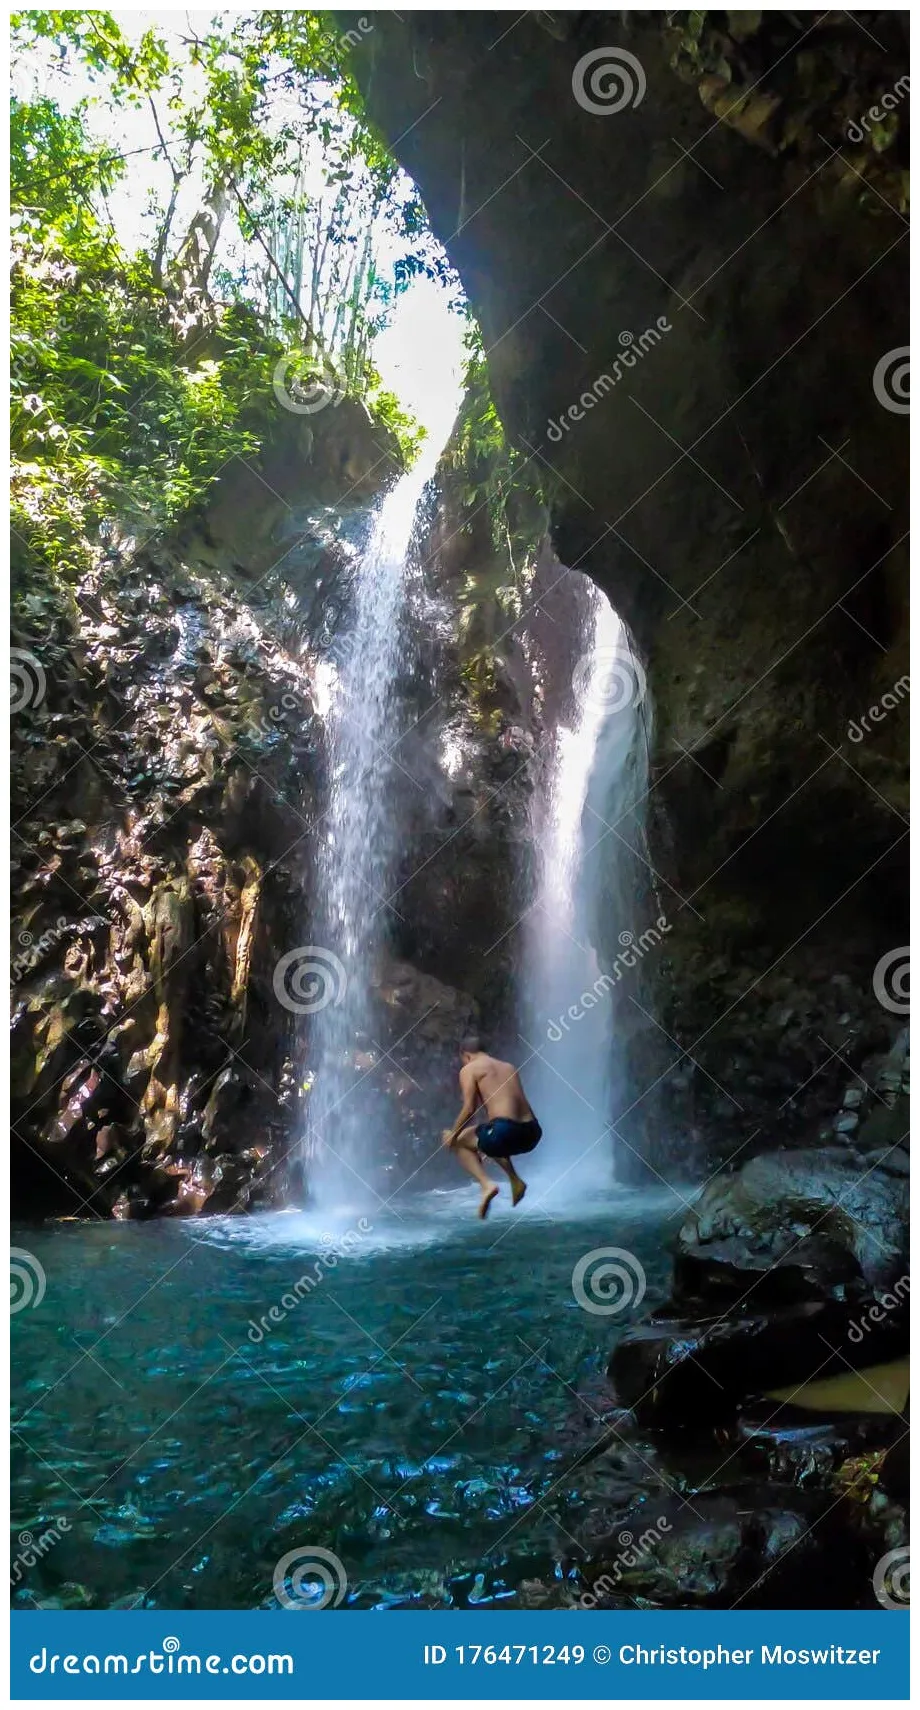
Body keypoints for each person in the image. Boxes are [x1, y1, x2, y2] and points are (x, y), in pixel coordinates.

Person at [441, 1035, 542, 1218]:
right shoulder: (508, 1067)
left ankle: (486, 1184)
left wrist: (453, 1136)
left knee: (459, 1139)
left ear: (465, 1055)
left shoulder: (470, 1069)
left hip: (504, 1131)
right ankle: (515, 1180)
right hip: (532, 1132)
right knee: (488, 1134)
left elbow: (469, 1108)